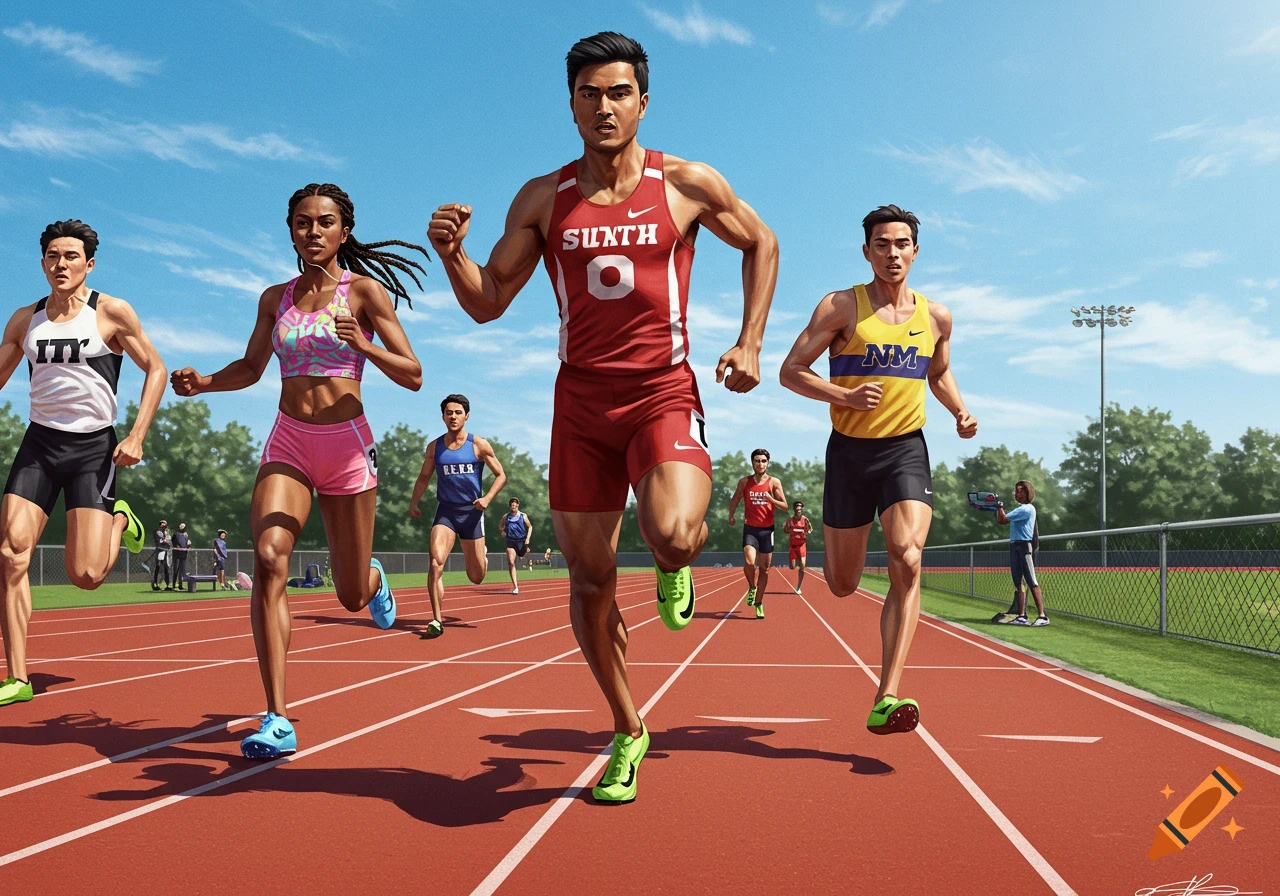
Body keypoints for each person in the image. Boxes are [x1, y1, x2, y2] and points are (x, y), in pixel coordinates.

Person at [428, 31, 777, 802]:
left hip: (661, 392)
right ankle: (627, 727)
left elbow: (762, 242)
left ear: (643, 102)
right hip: (581, 406)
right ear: (572, 106)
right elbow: (489, 301)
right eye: (589, 94)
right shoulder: (542, 198)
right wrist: (453, 255)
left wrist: (751, 340)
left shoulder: (685, 182)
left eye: (619, 92)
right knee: (590, 582)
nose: (605, 107)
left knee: (673, 533)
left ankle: (675, 566)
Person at [171, 183, 428, 758]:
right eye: (303, 222)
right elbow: (251, 367)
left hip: (347, 447)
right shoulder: (275, 298)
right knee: (268, 559)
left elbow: (414, 374)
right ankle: (278, 717)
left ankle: (372, 579)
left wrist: (364, 344)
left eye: (325, 222)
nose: (314, 232)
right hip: (289, 440)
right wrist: (205, 382)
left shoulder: (364, 292)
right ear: (290, 230)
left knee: (350, 596)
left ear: (344, 231)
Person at [780, 204, 977, 735]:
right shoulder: (841, 307)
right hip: (849, 453)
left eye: (902, 244)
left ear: (916, 251)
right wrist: (843, 395)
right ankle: (841, 549)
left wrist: (959, 410)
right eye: (882, 244)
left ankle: (887, 694)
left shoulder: (936, 317)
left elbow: (939, 373)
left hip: (905, 450)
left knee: (908, 557)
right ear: (866, 251)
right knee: (843, 584)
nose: (893, 253)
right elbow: (790, 371)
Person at [0, 219, 161, 707]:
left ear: (89, 264)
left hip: (93, 449)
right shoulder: (25, 320)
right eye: (52, 256)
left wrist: (136, 435)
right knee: (11, 552)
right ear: (42, 263)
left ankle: (119, 520)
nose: (61, 264)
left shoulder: (110, 312)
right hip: (40, 446)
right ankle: (17, 677)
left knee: (86, 577)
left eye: (70, 256)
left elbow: (156, 369)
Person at [409, 394, 507, 637]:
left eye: (458, 413)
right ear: (443, 416)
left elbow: (501, 475)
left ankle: (482, 558)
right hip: (446, 512)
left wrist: (487, 499)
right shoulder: (435, 447)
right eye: (449, 413)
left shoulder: (479, 445)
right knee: (435, 562)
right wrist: (414, 502)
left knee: (476, 577)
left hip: (472, 513)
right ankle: (436, 620)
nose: (453, 417)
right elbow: (424, 477)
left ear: (467, 416)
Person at [727, 449, 787, 618]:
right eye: (757, 461)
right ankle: (752, 587)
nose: (760, 464)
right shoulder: (744, 482)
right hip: (750, 529)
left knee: (764, 569)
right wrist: (731, 515)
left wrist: (771, 499)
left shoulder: (774, 482)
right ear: (752, 463)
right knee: (749, 561)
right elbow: (735, 498)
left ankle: (759, 603)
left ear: (768, 463)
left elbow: (784, 506)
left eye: (763, 461)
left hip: (767, 530)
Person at [992, 480, 1048, 626]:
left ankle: (1042, 616)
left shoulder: (1026, 509)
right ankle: (1022, 615)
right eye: (1015, 490)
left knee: (1031, 580)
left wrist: (999, 507)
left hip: (1024, 546)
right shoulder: (1020, 509)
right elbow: (1001, 519)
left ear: (1027, 492)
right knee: (1019, 582)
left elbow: (1003, 520)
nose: (1016, 493)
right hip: (1015, 545)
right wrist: (998, 509)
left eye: (1019, 490)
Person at [500, 497, 532, 594]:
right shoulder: (506, 516)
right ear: (510, 506)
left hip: (521, 541)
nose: (513, 506)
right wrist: (502, 531)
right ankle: (515, 586)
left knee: (522, 554)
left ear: (518, 505)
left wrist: (528, 538)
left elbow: (530, 527)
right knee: (511, 562)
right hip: (510, 541)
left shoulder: (523, 516)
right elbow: (500, 525)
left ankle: (525, 551)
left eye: (515, 505)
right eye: (512, 505)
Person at [784, 500, 814, 594]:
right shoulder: (790, 520)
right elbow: (785, 530)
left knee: (803, 566)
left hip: (802, 545)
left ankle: (798, 587)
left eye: (800, 506)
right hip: (793, 546)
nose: (799, 508)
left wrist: (806, 530)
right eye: (797, 506)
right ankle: (797, 559)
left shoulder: (805, 520)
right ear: (794, 508)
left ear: (802, 509)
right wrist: (790, 530)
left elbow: (810, 530)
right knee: (792, 567)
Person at [151, 519, 172, 591]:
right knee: (158, 566)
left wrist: (168, 541)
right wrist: (164, 541)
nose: (163, 524)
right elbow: (160, 540)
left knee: (166, 567)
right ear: (160, 524)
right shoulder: (158, 531)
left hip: (166, 551)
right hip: (160, 551)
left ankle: (167, 584)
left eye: (165, 523)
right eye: (162, 523)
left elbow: (169, 540)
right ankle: (155, 584)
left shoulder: (167, 532)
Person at [171, 521, 190, 589]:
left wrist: (188, 545)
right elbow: (173, 542)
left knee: (181, 570)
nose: (182, 527)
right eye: (181, 526)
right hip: (176, 553)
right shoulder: (176, 534)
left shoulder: (186, 535)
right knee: (175, 569)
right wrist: (176, 546)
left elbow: (186, 544)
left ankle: (180, 585)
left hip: (183, 553)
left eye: (183, 526)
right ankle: (173, 584)